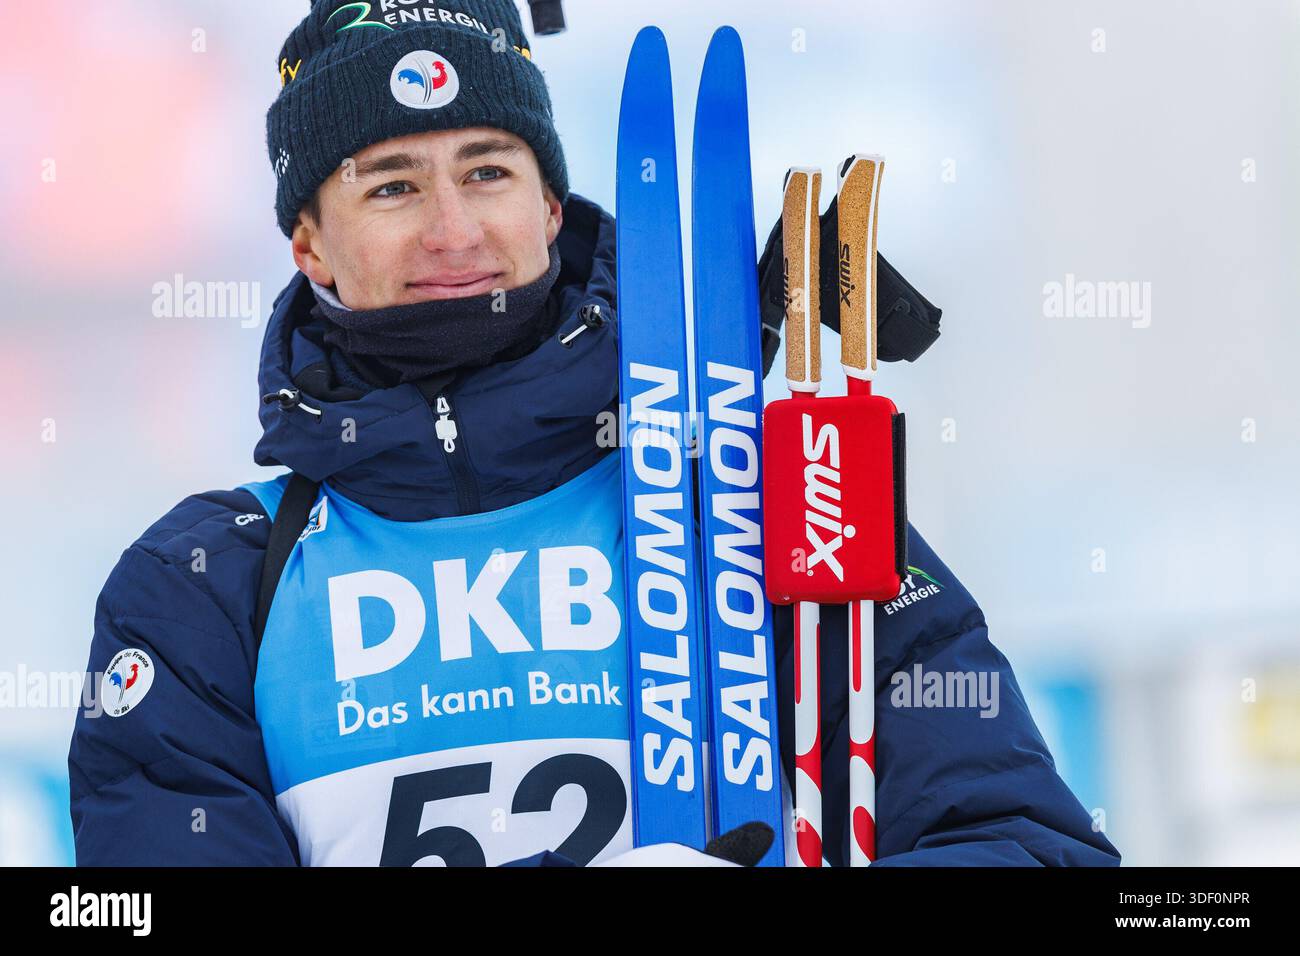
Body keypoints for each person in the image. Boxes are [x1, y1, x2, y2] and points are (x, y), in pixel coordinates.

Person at [67, 0, 1119, 867]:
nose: (454, 229)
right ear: (308, 245)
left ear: (551, 207)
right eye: (392, 186)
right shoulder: (205, 583)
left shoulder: (767, 499)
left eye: (488, 170)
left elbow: (1023, 841)